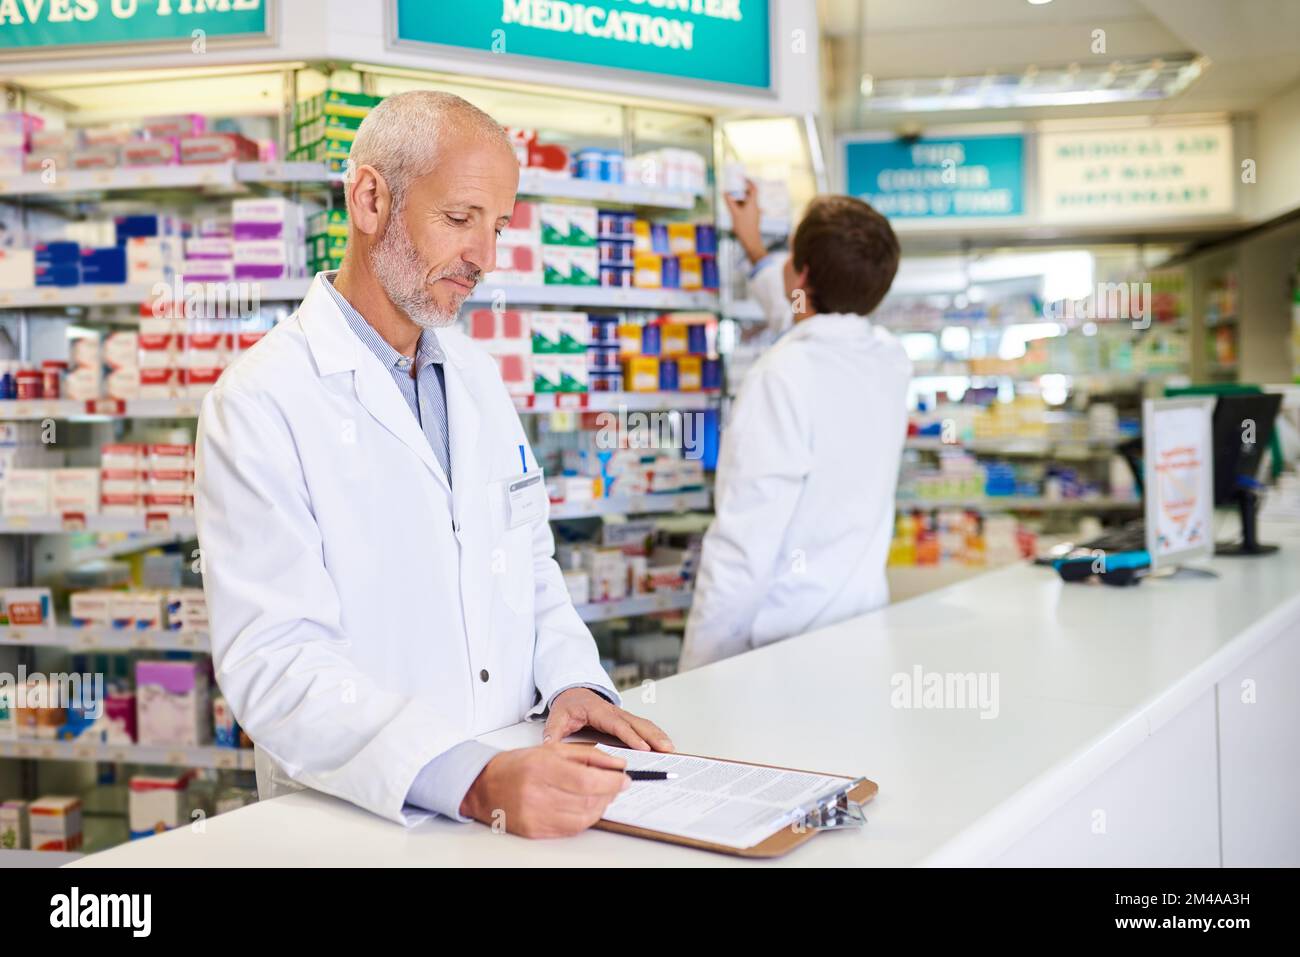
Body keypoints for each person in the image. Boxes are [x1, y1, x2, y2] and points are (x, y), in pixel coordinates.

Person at [195, 91, 672, 839]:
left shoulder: (479, 379)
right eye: (460, 219)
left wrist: (573, 679)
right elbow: (275, 659)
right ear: (369, 198)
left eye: (498, 226)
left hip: (518, 787)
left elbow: (529, 563)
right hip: (359, 818)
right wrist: (470, 778)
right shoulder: (261, 399)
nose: (485, 256)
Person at [679, 183, 911, 669]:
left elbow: (742, 549)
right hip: (861, 631)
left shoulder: (780, 375)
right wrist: (756, 248)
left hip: (782, 650)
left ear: (800, 271)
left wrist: (696, 674)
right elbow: (810, 321)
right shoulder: (889, 359)